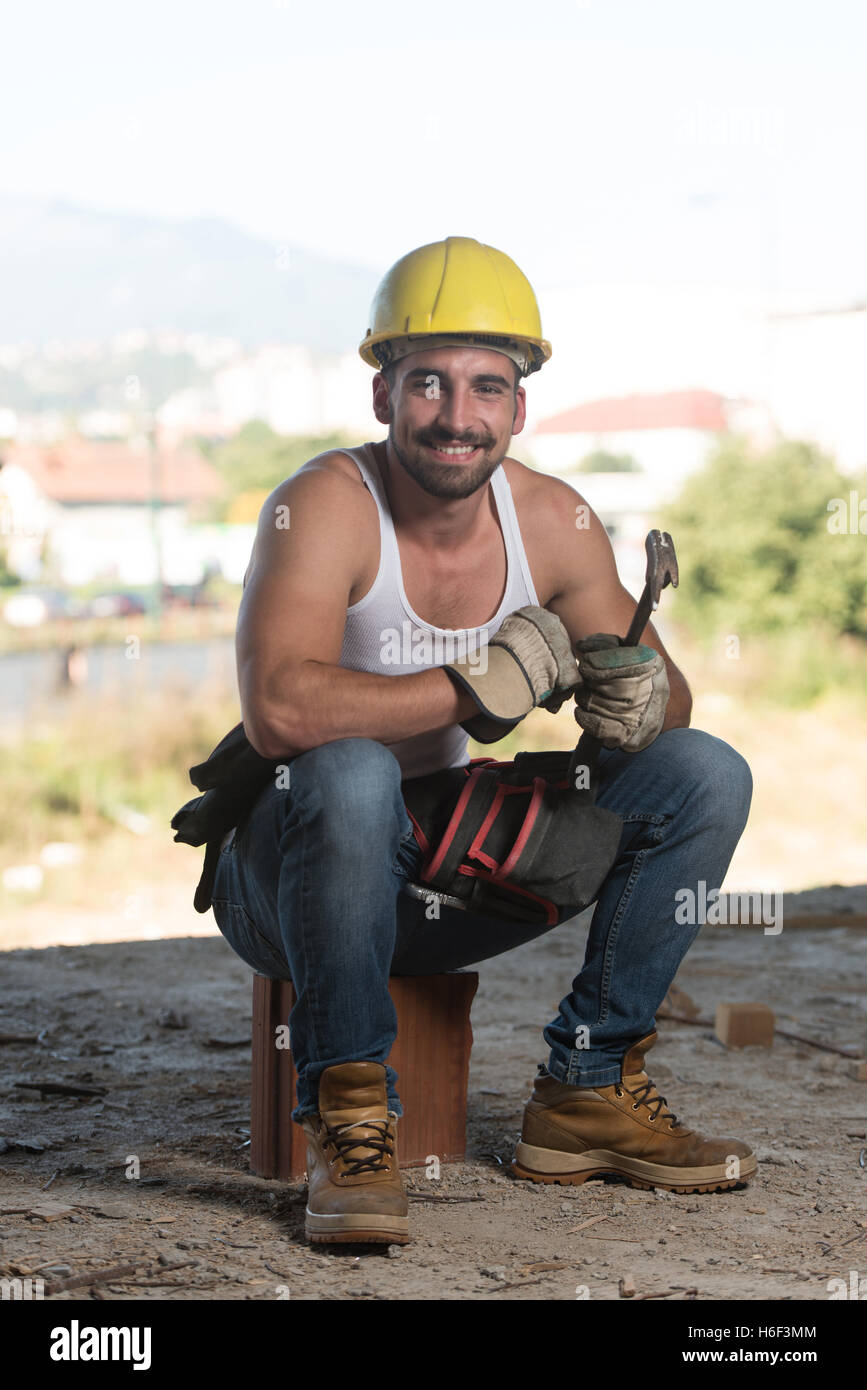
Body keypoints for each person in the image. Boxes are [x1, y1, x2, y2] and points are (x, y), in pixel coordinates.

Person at [211, 236, 755, 1246]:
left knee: (702, 772)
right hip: (290, 874)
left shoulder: (555, 518)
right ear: (382, 396)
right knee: (348, 767)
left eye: (488, 388)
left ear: (519, 406)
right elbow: (278, 712)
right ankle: (347, 1121)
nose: (459, 417)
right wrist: (469, 685)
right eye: (429, 383)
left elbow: (669, 699)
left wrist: (644, 696)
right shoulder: (322, 505)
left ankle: (587, 1086)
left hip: (437, 874)